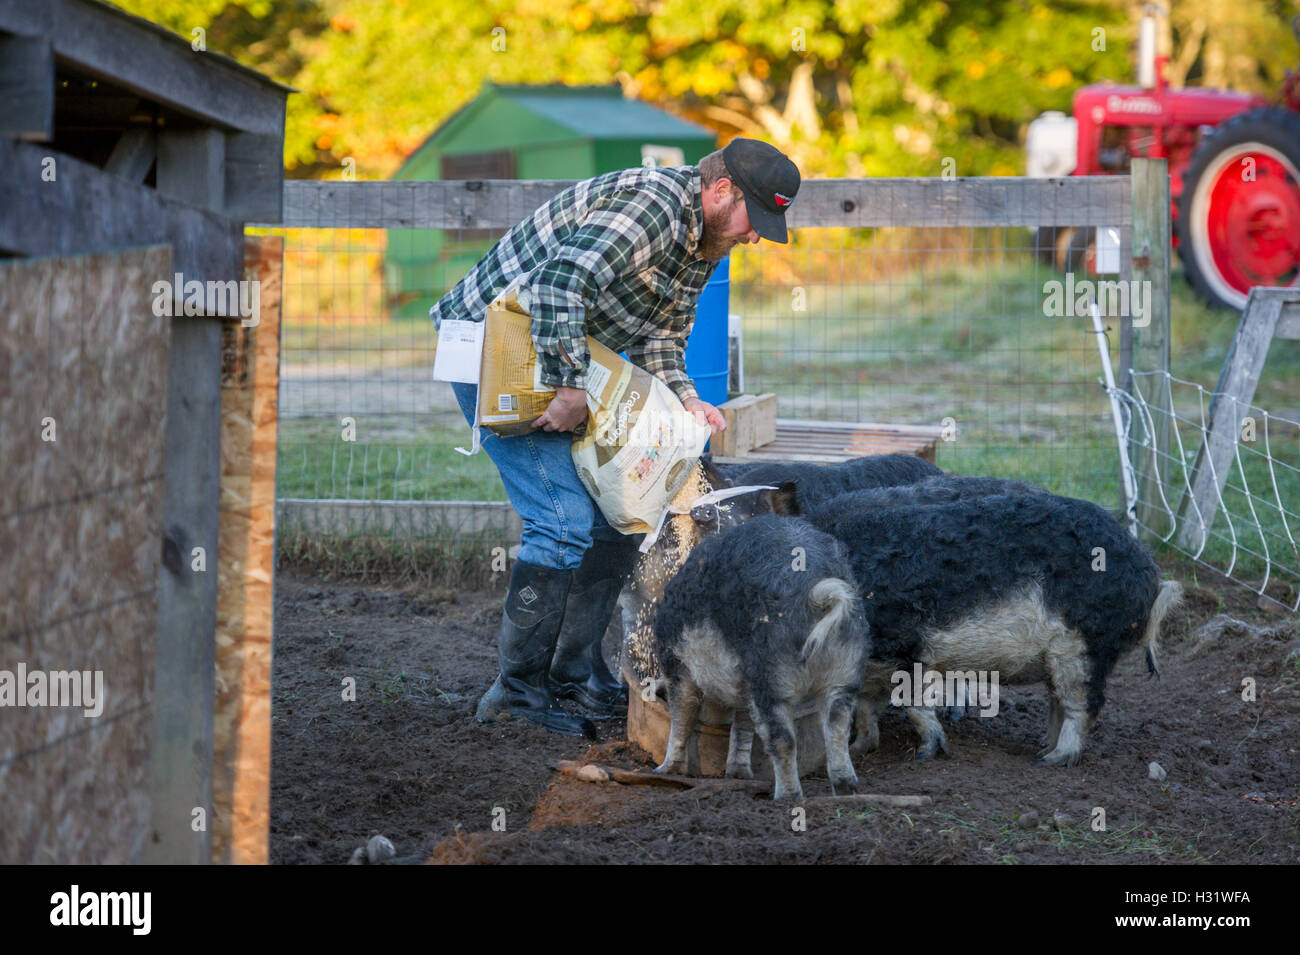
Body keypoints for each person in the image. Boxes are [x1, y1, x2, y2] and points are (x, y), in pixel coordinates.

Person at [430, 137, 802, 735]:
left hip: (552, 351)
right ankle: (516, 694)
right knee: (561, 522)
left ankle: (574, 672)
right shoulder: (653, 207)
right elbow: (559, 285)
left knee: (617, 517)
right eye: (753, 219)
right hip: (492, 347)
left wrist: (688, 399)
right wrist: (571, 386)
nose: (755, 235)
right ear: (721, 191)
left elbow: (661, 338)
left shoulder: (705, 243)